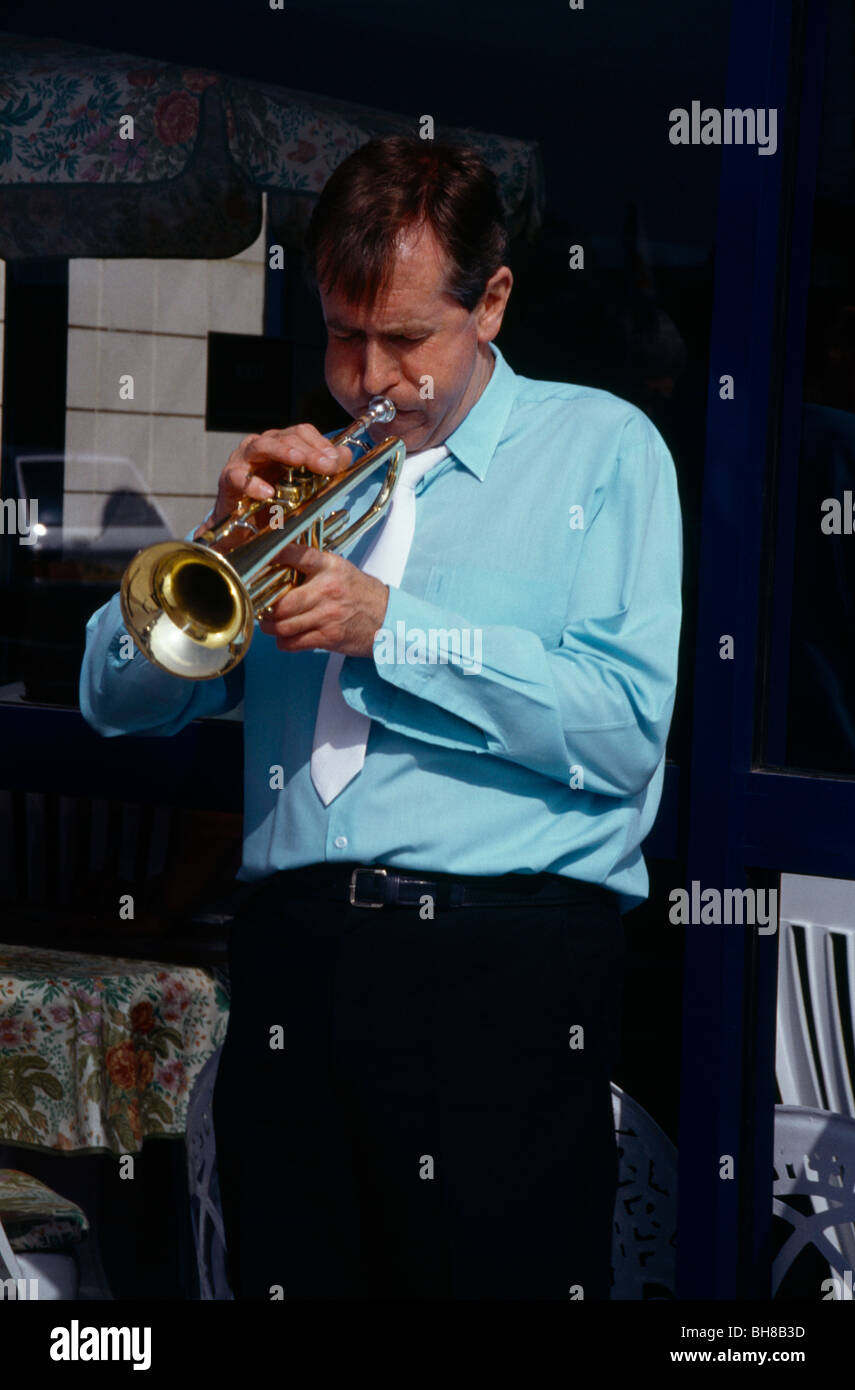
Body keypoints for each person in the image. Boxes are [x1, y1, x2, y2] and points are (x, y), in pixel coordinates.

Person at [80, 135, 682, 1301]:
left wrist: (392, 630)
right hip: (297, 959)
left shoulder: (604, 452)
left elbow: (620, 731)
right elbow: (113, 702)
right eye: (343, 336)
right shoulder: (298, 470)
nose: (368, 378)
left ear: (493, 301)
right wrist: (217, 548)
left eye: (405, 339)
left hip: (500, 971)